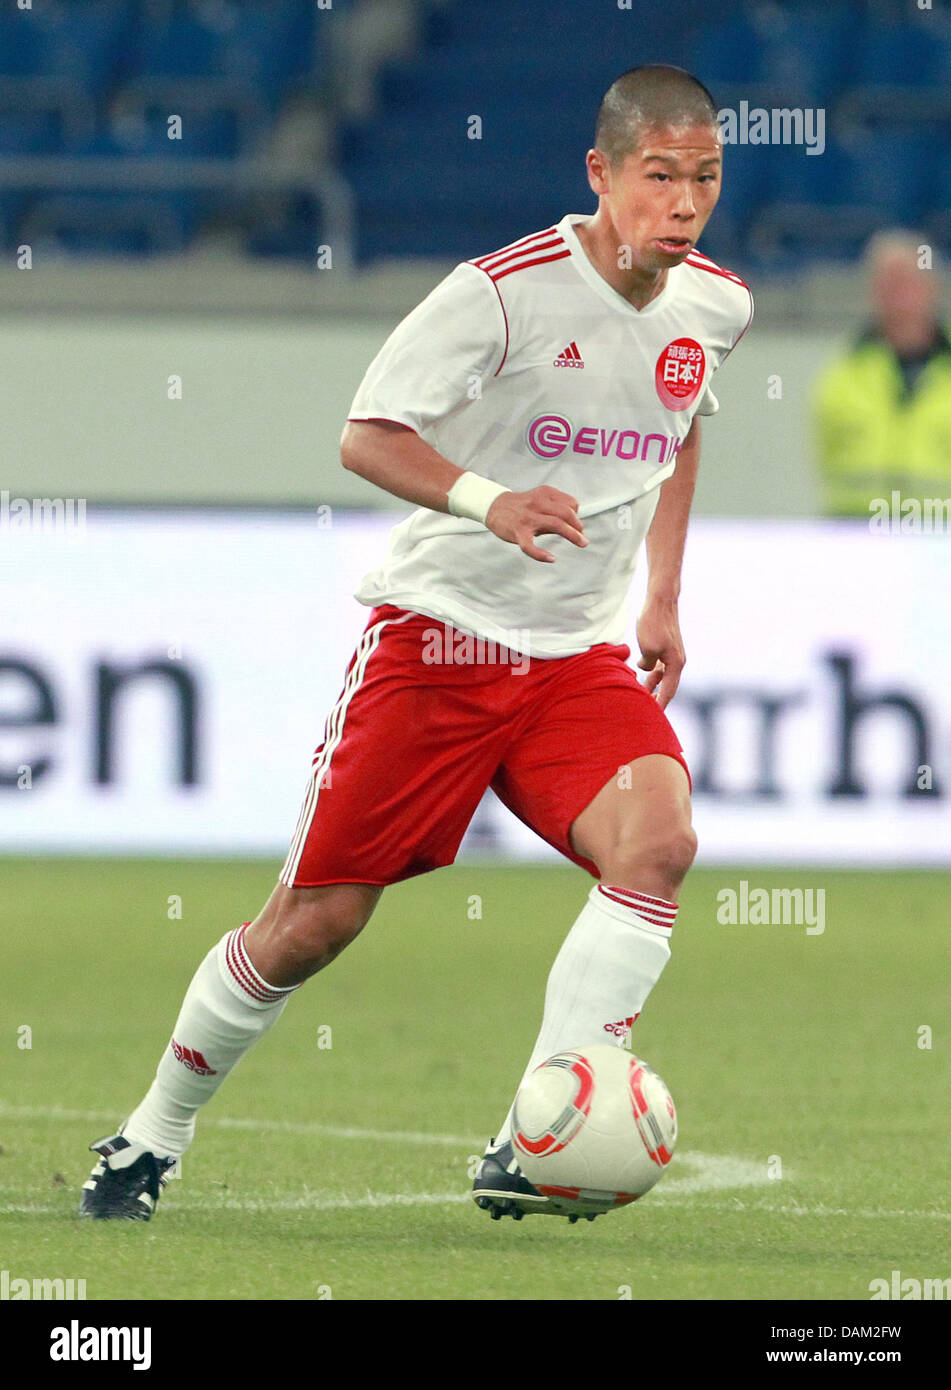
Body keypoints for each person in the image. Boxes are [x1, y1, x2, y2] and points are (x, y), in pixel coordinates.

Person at [79, 64, 753, 1224]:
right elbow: (367, 436)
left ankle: (533, 1133)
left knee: (659, 844)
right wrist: (490, 499)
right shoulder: (498, 295)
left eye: (705, 179)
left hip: (576, 656)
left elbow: (682, 426)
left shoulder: (716, 305)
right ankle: (151, 1135)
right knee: (314, 925)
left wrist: (662, 598)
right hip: (441, 642)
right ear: (601, 176)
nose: (684, 204)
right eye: (660, 178)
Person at [814, 231, 951, 516]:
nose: (898, 295)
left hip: (940, 537)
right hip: (858, 532)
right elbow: (826, 451)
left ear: (933, 287)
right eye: (887, 284)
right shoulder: (844, 374)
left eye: (907, 282)